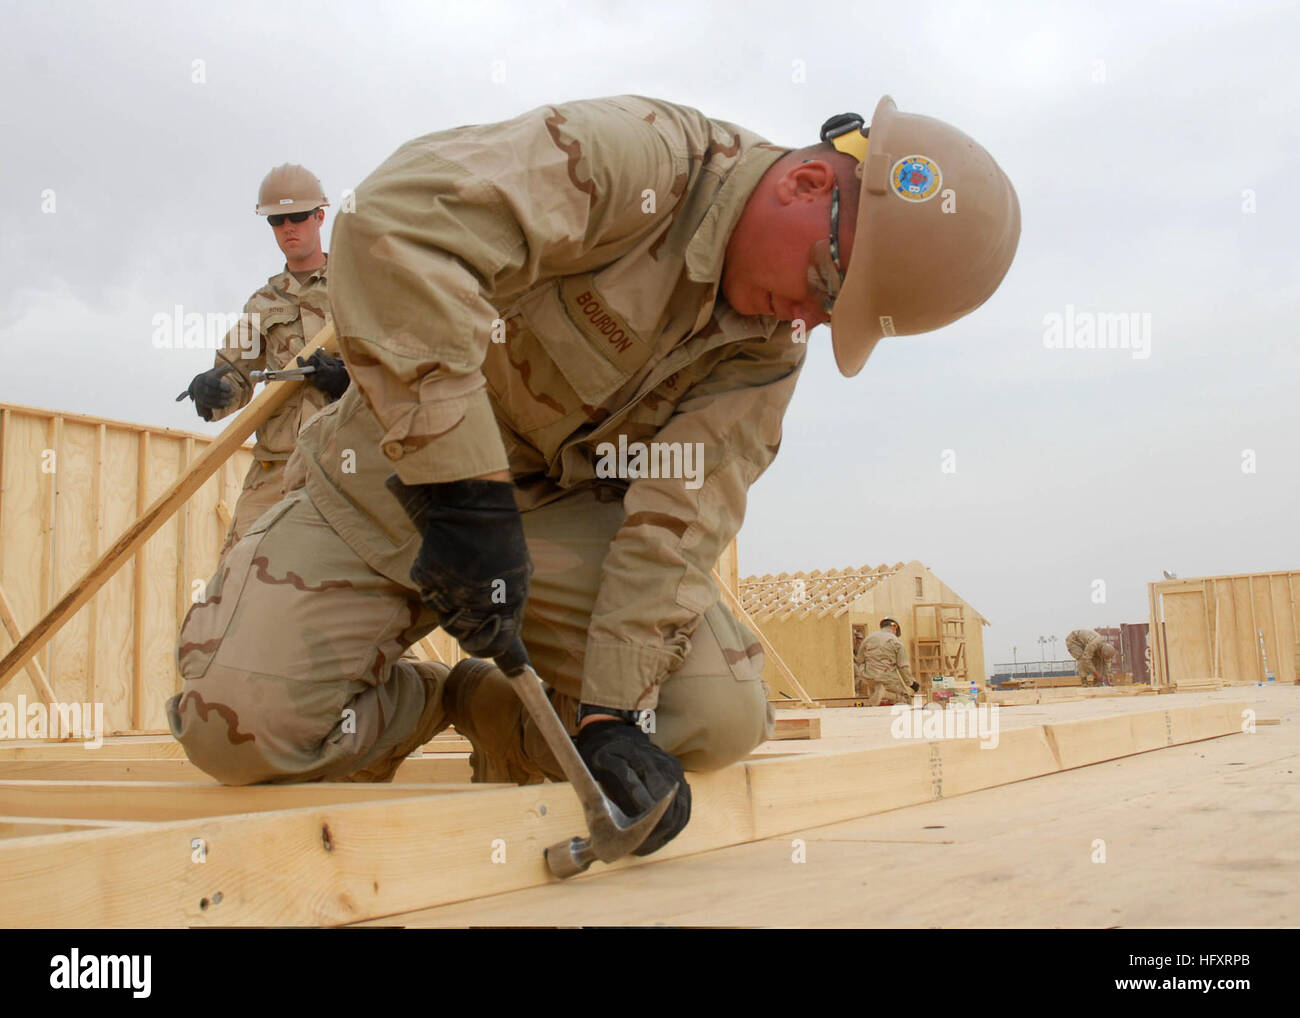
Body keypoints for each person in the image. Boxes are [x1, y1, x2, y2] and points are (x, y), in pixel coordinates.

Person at [168, 95, 1020, 858]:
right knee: (239, 734)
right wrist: (463, 493)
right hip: (381, 486)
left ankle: (491, 711)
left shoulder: (766, 347)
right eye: (823, 285)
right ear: (803, 183)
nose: (808, 318)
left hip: (546, 527)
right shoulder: (641, 161)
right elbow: (396, 222)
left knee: (711, 720)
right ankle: (417, 704)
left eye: (831, 314)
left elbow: (679, 526)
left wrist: (612, 717)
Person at [181, 164, 350, 553]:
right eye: (277, 220)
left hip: (347, 460)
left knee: (356, 586)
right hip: (277, 466)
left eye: (298, 217)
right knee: (236, 579)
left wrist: (349, 384)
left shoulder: (356, 284)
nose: (288, 227)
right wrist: (212, 392)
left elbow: (397, 365)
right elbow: (236, 376)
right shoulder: (262, 304)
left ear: (319, 216)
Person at [854, 617, 921, 706]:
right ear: (894, 628)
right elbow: (903, 666)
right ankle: (885, 694)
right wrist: (911, 683)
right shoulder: (896, 642)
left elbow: (859, 659)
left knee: (876, 695)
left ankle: (879, 699)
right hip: (887, 677)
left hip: (868, 676)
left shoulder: (868, 638)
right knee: (905, 699)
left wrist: (865, 671)